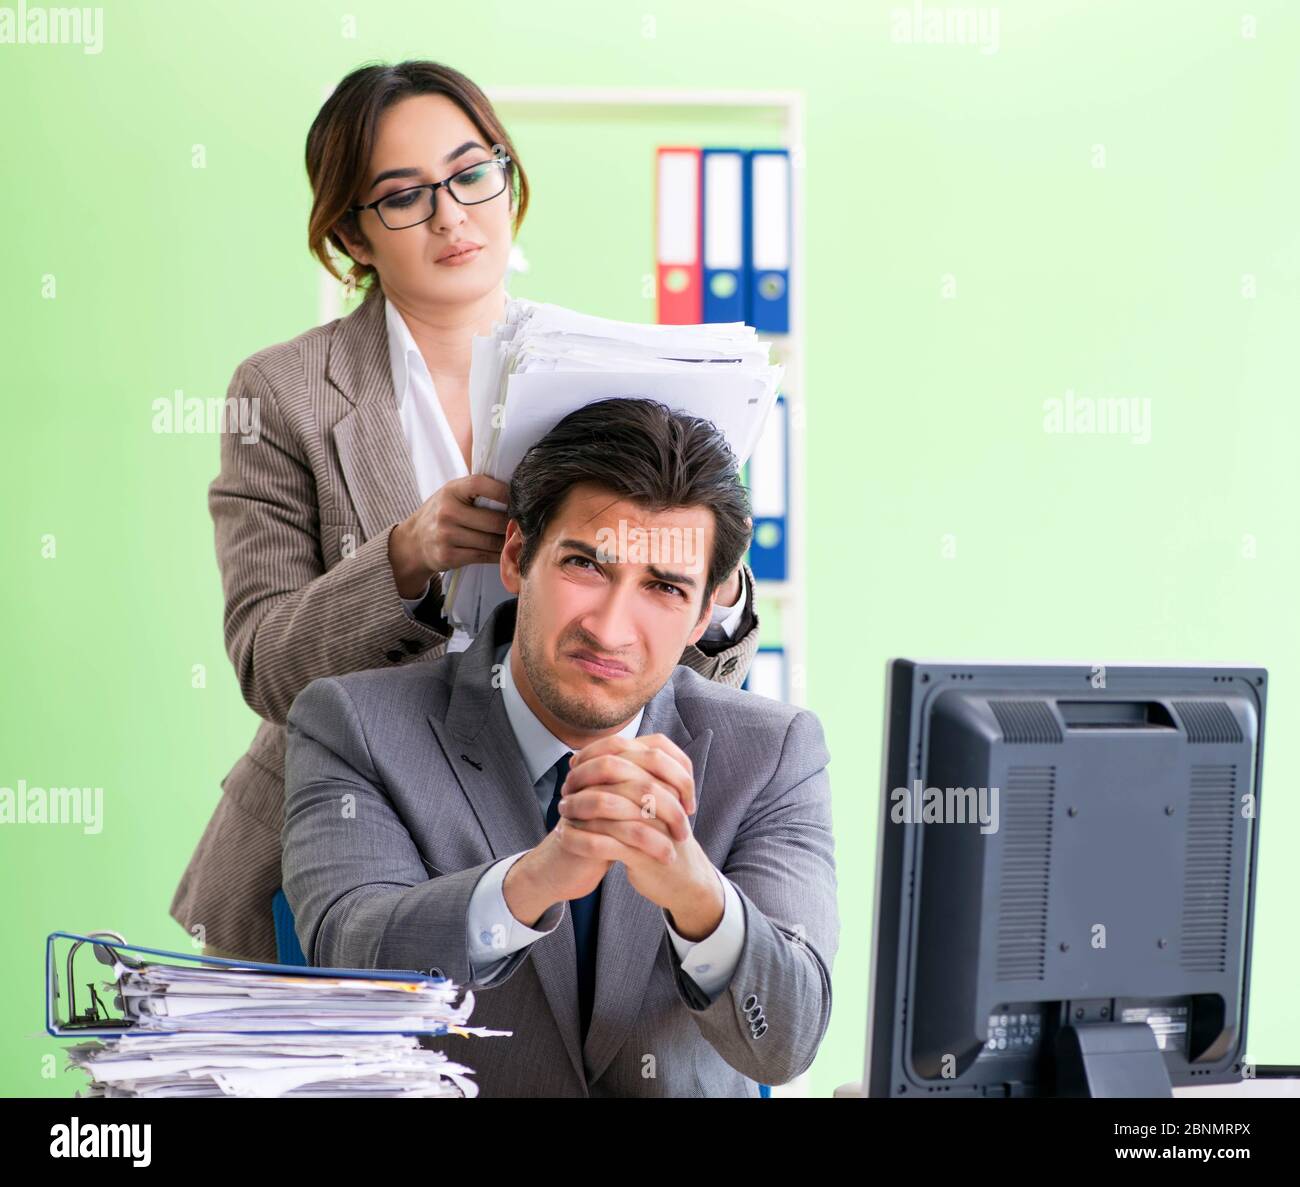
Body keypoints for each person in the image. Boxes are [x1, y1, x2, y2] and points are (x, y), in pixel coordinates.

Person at [170, 61, 761, 964]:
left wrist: (711, 586)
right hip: (346, 828)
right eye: (403, 196)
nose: (452, 215)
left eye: (471, 172)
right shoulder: (283, 392)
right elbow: (266, 664)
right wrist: (401, 558)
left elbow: (696, 675)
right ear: (351, 236)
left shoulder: (607, 373)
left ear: (505, 175)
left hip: (563, 818)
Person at [282, 398, 837, 1097]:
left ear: (702, 616)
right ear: (518, 555)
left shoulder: (774, 753)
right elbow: (353, 975)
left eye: (663, 587)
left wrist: (697, 895)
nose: (609, 629)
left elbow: (786, 1043)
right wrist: (537, 879)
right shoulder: (355, 725)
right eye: (585, 565)